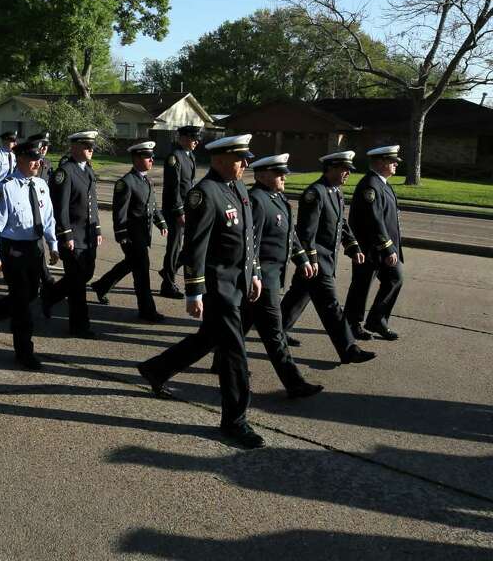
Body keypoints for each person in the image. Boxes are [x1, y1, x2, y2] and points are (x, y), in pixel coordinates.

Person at [137, 134, 266, 449]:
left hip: (238, 282)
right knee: (234, 353)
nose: (245, 164)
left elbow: (248, 238)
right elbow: (195, 248)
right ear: (220, 160)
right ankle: (234, 423)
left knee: (208, 338)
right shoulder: (205, 194)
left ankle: (156, 369)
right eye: (240, 159)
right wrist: (194, 293)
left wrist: (255, 273)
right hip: (218, 287)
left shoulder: (237, 189)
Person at [210, 154, 324, 399]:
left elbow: (289, 234)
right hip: (262, 278)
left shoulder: (278, 198)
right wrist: (255, 275)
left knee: (243, 322)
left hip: (272, 276)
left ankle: (220, 360)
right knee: (275, 333)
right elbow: (251, 243)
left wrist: (302, 258)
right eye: (278, 173)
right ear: (261, 176)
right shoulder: (257, 201)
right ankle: (294, 383)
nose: (284, 177)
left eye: (283, 173)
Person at [281, 151, 377, 365]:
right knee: (331, 306)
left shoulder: (335, 192)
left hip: (324, 261)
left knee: (298, 296)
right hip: (318, 262)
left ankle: (276, 330)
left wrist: (353, 247)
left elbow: (340, 223)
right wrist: (312, 260)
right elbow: (306, 233)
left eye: (349, 170)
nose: (347, 174)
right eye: (344, 169)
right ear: (331, 168)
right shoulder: (315, 193)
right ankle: (349, 349)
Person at [0, 138, 59, 370]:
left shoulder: (42, 185)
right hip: (13, 250)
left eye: (39, 159)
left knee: (31, 294)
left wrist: (52, 245)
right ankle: (24, 351)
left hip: (35, 248)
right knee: (23, 303)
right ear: (20, 158)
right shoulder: (6, 188)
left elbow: (49, 218)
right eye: (33, 159)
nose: (37, 163)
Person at [90, 142, 168, 322]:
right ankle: (147, 310)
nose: (152, 160)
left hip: (143, 234)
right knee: (142, 272)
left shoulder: (146, 180)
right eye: (148, 157)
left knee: (131, 264)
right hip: (132, 237)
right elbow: (120, 212)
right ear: (137, 159)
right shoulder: (126, 183)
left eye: (152, 157)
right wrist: (122, 235)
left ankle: (102, 285)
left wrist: (161, 223)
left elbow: (152, 206)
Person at [41, 131, 103, 338]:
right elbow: (60, 208)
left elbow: (92, 204)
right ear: (75, 147)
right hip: (73, 236)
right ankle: (79, 326)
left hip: (88, 235)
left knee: (85, 275)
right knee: (77, 285)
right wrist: (65, 235)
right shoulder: (65, 172)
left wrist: (98, 230)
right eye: (87, 146)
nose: (91, 150)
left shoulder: (88, 171)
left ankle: (49, 296)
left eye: (92, 146)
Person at [344, 145, 405, 341]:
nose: (396, 164)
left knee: (394, 280)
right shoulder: (370, 185)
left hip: (382, 248)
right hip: (370, 249)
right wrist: (387, 247)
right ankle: (351, 324)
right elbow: (374, 219)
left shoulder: (383, 183)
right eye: (391, 161)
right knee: (361, 285)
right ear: (379, 162)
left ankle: (377, 320)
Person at [159, 125, 201, 298]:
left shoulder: (190, 156)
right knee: (174, 248)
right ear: (182, 138)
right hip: (175, 210)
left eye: (197, 139)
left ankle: (169, 270)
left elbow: (189, 184)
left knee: (191, 245)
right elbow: (173, 187)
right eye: (193, 138)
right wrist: (179, 211)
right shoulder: (174, 157)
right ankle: (168, 285)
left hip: (187, 209)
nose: (196, 142)